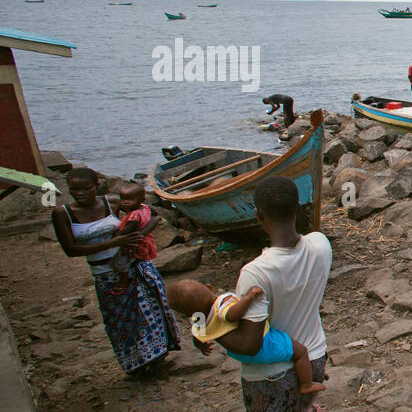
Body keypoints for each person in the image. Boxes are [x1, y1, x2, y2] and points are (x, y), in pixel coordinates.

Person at [215, 177, 363, 412]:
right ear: (298, 210)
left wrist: (210, 334)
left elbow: (250, 343)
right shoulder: (320, 244)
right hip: (313, 356)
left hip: (270, 375)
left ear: (259, 215)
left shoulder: (257, 272)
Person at [52, 167, 180, 377]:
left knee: (152, 313)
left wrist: (138, 236)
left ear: (96, 186)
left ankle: (158, 359)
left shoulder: (112, 202)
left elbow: (152, 215)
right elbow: (71, 250)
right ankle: (137, 365)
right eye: (74, 189)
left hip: (135, 266)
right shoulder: (62, 213)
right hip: (104, 275)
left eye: (86, 188)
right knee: (120, 321)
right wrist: (115, 242)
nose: (80, 193)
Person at [167, 279, 326, 396]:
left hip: (239, 354)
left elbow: (199, 335)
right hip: (262, 346)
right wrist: (249, 297)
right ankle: (307, 383)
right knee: (300, 351)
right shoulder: (221, 305)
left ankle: (310, 371)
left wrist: (201, 345)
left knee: (289, 349)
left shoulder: (197, 317)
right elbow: (232, 315)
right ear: (209, 286)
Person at [109, 182, 159, 296]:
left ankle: (123, 282)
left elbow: (130, 227)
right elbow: (155, 216)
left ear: (141, 199)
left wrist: (118, 234)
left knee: (119, 262)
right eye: (123, 199)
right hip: (145, 239)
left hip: (133, 241)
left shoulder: (134, 215)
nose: (125, 202)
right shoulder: (145, 208)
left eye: (130, 199)